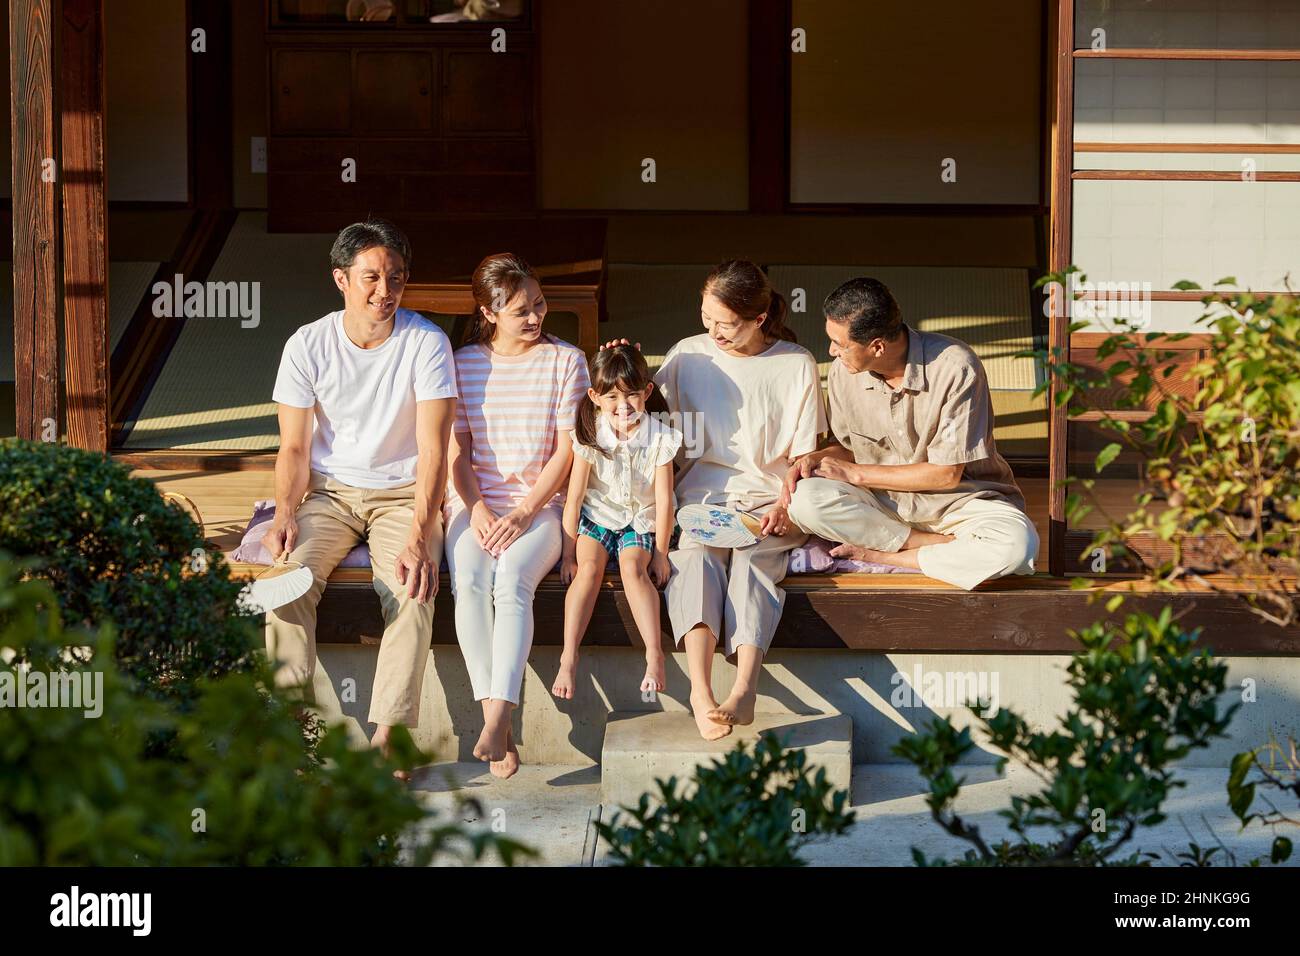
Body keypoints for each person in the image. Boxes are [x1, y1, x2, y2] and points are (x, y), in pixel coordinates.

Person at [262, 219, 457, 780]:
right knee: (285, 581)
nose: (385, 290)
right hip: (330, 491)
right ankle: (291, 726)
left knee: (413, 588)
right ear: (341, 280)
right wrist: (283, 513)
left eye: (396, 277)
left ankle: (390, 733)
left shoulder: (426, 342)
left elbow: (433, 450)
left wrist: (422, 532)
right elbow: (295, 447)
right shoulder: (307, 344)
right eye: (371, 277)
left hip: (404, 495)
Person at [651, 260, 827, 741]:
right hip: (700, 502)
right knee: (696, 560)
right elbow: (644, 415)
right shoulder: (689, 356)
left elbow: (805, 455)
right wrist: (619, 365)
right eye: (706, 319)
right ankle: (701, 692)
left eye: (725, 324)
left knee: (753, 564)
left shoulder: (795, 363)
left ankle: (745, 687)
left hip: (769, 504)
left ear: (760, 317)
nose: (713, 333)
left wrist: (785, 506)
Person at [786, 277, 1038, 590]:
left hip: (959, 503)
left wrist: (855, 474)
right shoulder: (842, 372)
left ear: (877, 346)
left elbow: (946, 475)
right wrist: (817, 458)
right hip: (882, 505)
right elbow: (848, 449)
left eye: (840, 344)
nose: (831, 351)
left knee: (1017, 546)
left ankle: (883, 558)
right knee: (804, 501)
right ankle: (928, 546)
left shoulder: (955, 367)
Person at [445, 252, 589, 779]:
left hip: (542, 506)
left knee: (511, 582)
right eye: (521, 310)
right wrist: (477, 509)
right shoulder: (462, 363)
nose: (535, 318)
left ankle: (499, 713)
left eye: (540, 304)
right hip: (473, 502)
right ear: (488, 312)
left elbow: (568, 451)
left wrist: (527, 511)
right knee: (469, 578)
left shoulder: (566, 361)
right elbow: (455, 451)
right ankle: (496, 721)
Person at [554, 345, 681, 701]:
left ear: (647, 393)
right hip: (598, 517)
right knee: (588, 570)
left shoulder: (660, 437)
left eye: (632, 396)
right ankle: (568, 655)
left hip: (639, 520)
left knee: (632, 571)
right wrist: (568, 554)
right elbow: (576, 498)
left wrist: (660, 554)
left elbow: (664, 500)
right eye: (611, 397)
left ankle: (654, 653)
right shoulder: (590, 435)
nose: (623, 406)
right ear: (595, 397)